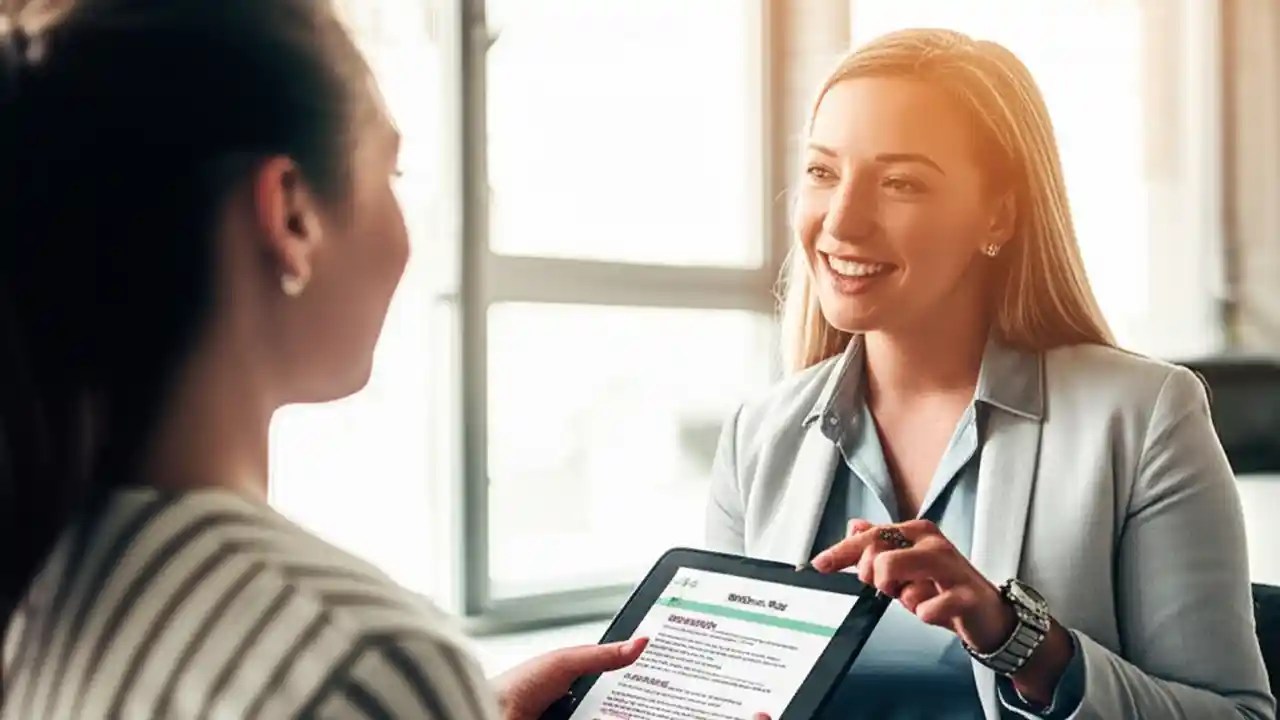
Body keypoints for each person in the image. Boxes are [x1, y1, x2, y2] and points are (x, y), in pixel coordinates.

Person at [0, 2, 649, 718]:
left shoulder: (44, 583)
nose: (410, 235)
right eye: (393, 174)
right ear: (291, 215)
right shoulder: (367, 660)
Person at [706, 28, 1276, 720]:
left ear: (1000, 213)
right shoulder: (757, 436)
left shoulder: (1144, 416)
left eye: (900, 183)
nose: (843, 221)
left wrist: (1022, 643)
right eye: (823, 172)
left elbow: (1238, 716)